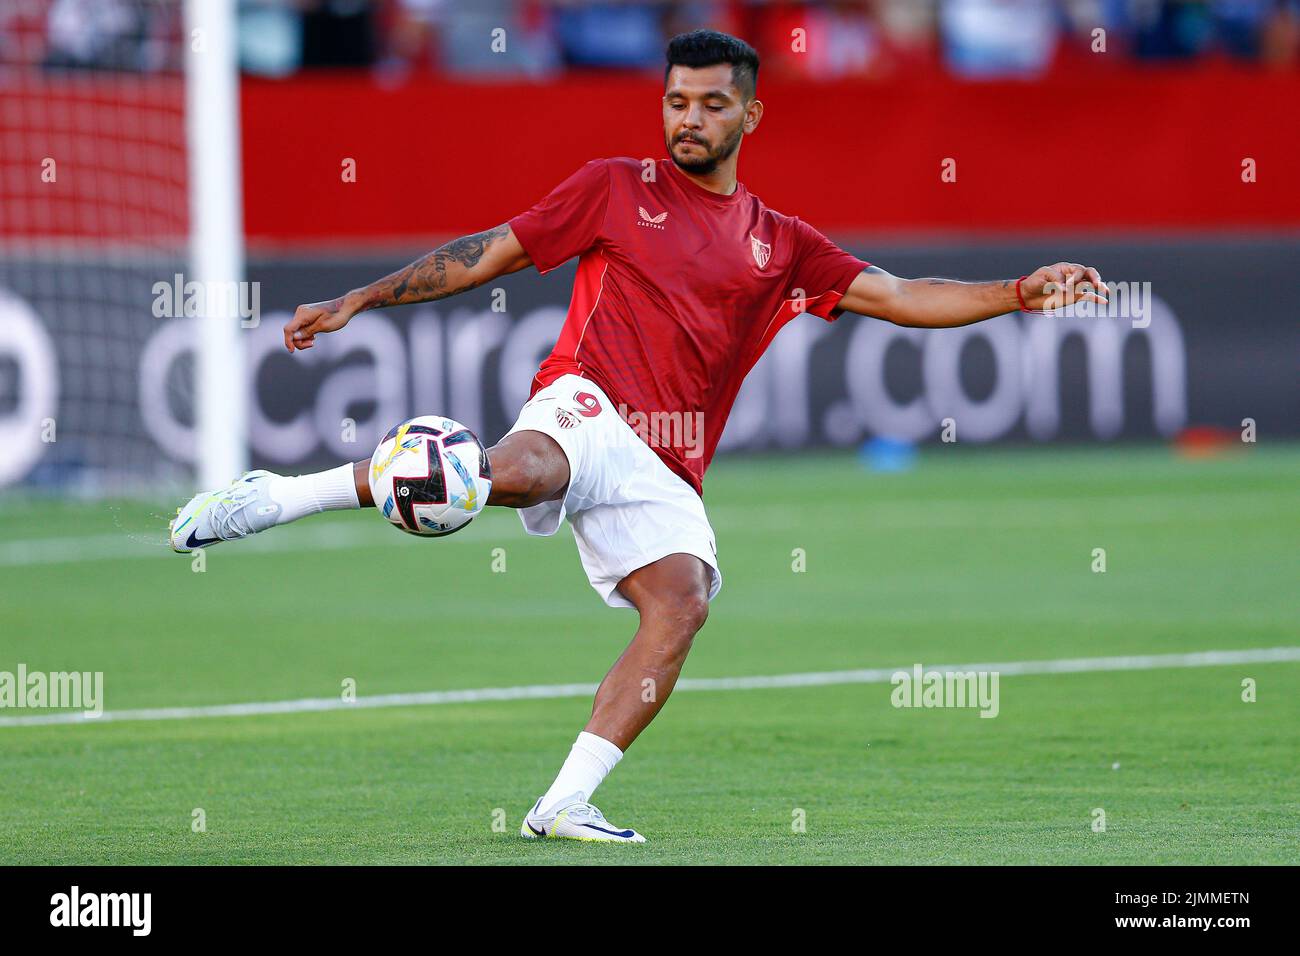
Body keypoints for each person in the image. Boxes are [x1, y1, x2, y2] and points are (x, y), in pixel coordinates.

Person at [169, 29, 1107, 843]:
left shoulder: (780, 244)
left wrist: (1019, 292)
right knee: (518, 472)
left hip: (668, 463)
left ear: (751, 117)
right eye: (674, 101)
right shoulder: (615, 189)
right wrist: (361, 299)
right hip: (588, 402)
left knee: (685, 601)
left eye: (709, 104)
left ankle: (564, 805)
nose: (686, 118)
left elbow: (901, 297)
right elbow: (488, 251)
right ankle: (275, 497)